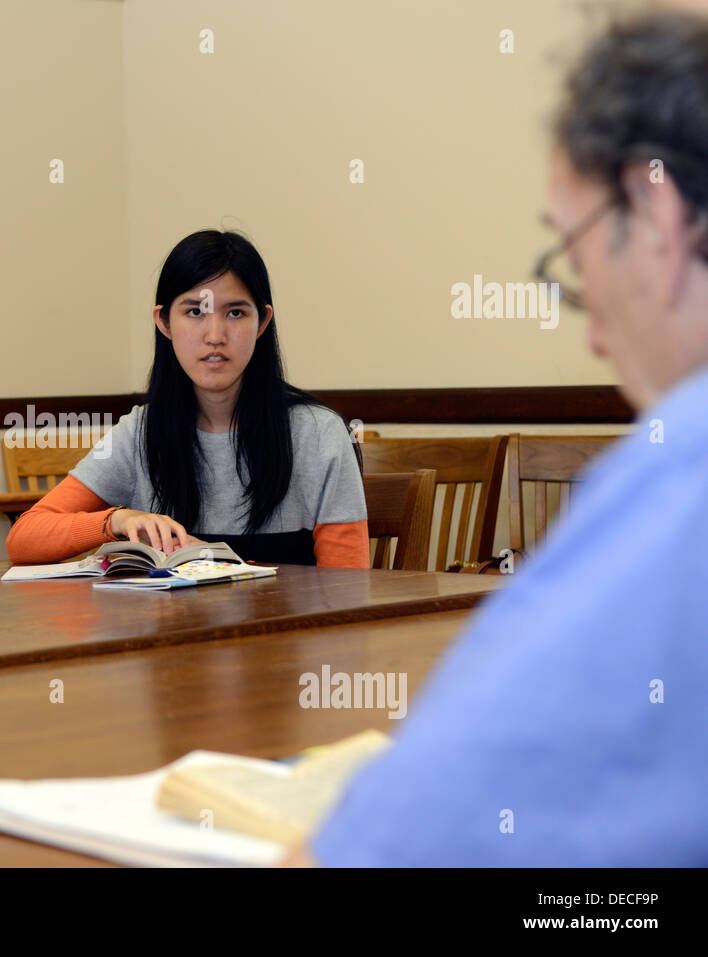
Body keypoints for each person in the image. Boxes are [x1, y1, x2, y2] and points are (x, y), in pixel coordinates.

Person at [291, 9, 708, 866]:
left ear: (659, 225)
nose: (592, 337)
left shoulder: (682, 475)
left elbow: (380, 847)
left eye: (576, 262)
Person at [6, 230, 368, 567]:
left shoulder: (320, 435)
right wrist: (117, 519)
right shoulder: (139, 433)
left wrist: (216, 563)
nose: (215, 335)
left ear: (262, 323)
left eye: (236, 313)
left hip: (287, 634)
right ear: (164, 323)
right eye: (194, 311)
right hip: (170, 635)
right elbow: (24, 537)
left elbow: (346, 589)